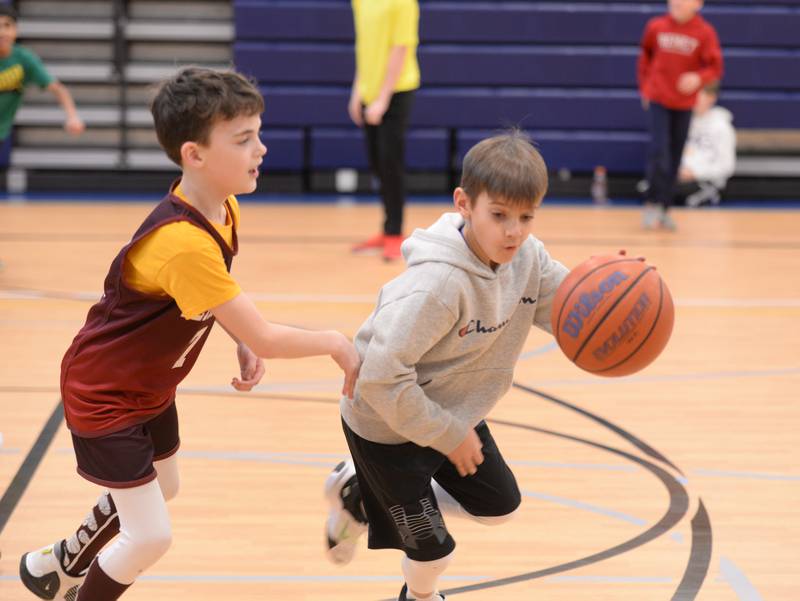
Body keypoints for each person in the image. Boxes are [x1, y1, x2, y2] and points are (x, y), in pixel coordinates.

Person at [19, 67, 360, 601]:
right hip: (104, 394)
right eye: (245, 139)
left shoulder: (223, 208)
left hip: (149, 386)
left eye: (258, 134)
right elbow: (268, 335)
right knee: (150, 534)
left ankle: (62, 562)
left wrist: (238, 337)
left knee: (164, 487)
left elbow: (214, 293)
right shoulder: (182, 241)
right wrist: (336, 343)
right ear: (194, 155)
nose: (262, 149)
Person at [323, 131, 569, 601]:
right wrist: (446, 433)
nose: (513, 231)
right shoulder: (436, 286)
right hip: (386, 428)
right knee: (433, 552)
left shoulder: (528, 258)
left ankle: (357, 496)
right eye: (498, 215)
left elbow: (568, 308)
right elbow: (378, 377)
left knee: (500, 507)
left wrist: (605, 296)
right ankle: (418, 597)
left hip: (453, 413)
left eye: (526, 217)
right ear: (464, 203)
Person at [637, 0, 723, 230]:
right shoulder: (656, 26)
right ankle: (651, 203)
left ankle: (665, 207)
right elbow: (645, 58)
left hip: (684, 103)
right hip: (658, 99)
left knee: (675, 155)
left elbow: (715, 67)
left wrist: (698, 78)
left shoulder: (704, 33)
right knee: (660, 152)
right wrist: (645, 89)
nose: (675, 2)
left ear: (698, 4)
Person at [348, 0, 420, 261]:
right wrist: (358, 91)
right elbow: (365, 47)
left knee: (391, 162)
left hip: (397, 91)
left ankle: (395, 233)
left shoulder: (404, 3)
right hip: (370, 92)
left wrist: (383, 99)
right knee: (377, 162)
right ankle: (387, 227)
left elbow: (401, 48)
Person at [0, 4, 84, 146]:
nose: (2, 32)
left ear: (15, 30)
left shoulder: (23, 59)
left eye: (6, 26)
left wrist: (72, 116)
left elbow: (58, 89)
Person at [676, 81, 735, 207]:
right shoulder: (684, 122)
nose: (692, 100)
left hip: (706, 181)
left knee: (678, 194)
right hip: (681, 178)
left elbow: (727, 166)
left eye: (697, 96)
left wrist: (695, 173)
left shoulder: (722, 127)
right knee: (649, 189)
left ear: (711, 98)